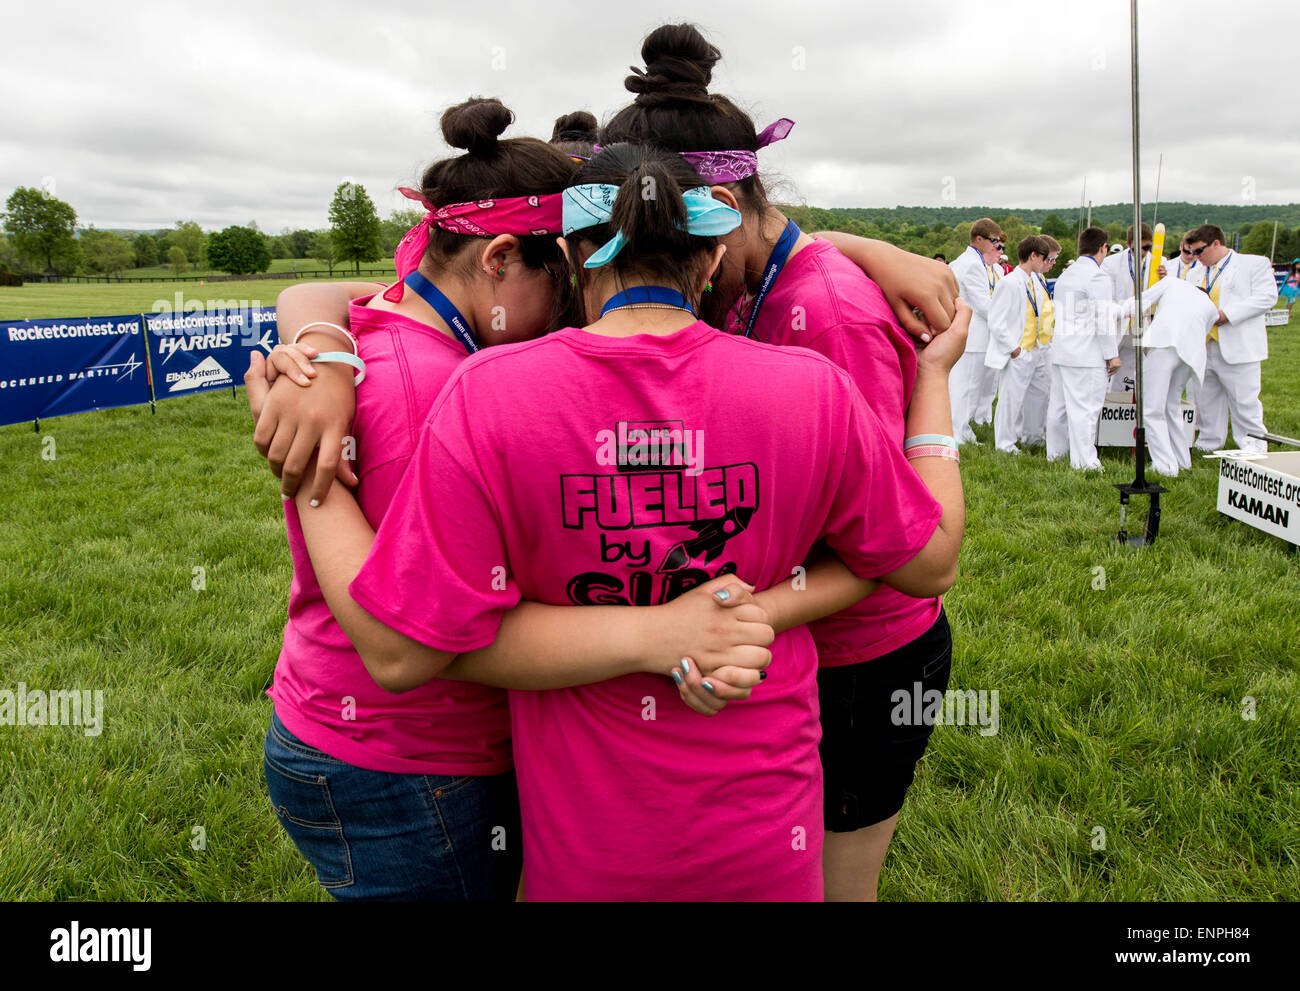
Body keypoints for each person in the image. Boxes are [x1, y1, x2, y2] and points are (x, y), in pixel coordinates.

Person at [284, 144, 968, 901]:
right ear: (711, 259)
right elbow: (924, 560)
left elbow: (410, 643)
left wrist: (312, 438)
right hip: (767, 826)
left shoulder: (487, 395)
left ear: (578, 257)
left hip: (591, 846)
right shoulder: (813, 390)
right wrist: (931, 381)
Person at [245, 98, 778, 902]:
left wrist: (318, 337)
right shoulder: (442, 390)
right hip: (415, 759)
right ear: (497, 259)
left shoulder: (378, 327)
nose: (575, 302)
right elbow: (404, 637)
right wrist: (657, 630)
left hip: (331, 722)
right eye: (560, 276)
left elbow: (324, 290)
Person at [599, 22, 966, 901]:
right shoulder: (751, 278)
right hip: (792, 648)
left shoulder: (825, 314)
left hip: (862, 659)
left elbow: (897, 547)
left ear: (713, 223)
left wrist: (737, 613)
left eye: (663, 238)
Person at [1184, 224, 1278, 453]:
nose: (1195, 257)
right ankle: (1208, 443)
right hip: (1205, 345)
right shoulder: (1195, 271)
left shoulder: (1253, 264)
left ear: (1216, 243)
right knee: (1206, 399)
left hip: (1238, 343)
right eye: (1193, 252)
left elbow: (1267, 297)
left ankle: (1252, 446)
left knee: (1244, 401)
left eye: (1199, 251)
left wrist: (1229, 315)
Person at [1123, 276, 1216, 476]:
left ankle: (1165, 466)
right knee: (1171, 407)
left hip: (1165, 343)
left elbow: (1140, 301)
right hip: (1191, 355)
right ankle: (1182, 461)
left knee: (1150, 409)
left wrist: (1115, 310)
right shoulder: (1210, 307)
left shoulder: (1173, 282)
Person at [1046, 226, 1120, 470]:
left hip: (1062, 348)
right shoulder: (1097, 276)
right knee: (1086, 410)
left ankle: (1055, 454)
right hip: (1085, 353)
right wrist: (1112, 354)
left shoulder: (1068, 273)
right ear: (1103, 248)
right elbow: (1103, 316)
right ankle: (1085, 462)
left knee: (1058, 407)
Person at [986, 235, 1057, 454]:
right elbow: (996, 321)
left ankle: (1033, 438)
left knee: (1038, 397)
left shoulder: (1036, 281)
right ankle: (1005, 443)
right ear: (1033, 255)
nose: (1047, 263)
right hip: (1020, 350)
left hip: (1039, 349)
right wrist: (1014, 348)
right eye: (1044, 258)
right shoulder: (1008, 282)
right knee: (1011, 399)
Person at [947, 219, 1006, 445]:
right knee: (964, 387)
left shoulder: (973, 261)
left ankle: (963, 429)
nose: (995, 246)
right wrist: (1007, 321)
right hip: (972, 335)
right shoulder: (971, 264)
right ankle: (957, 432)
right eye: (993, 241)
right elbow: (984, 305)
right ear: (979, 239)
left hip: (974, 334)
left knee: (968, 388)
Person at [1100, 223, 1152, 392]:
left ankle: (1130, 408)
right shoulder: (1110, 264)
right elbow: (1106, 299)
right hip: (1118, 325)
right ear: (1129, 244)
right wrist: (1125, 310)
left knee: (1137, 375)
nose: (1143, 252)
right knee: (1107, 372)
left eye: (1147, 247)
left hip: (1143, 327)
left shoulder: (1159, 263)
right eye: (1139, 248)